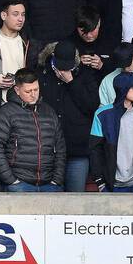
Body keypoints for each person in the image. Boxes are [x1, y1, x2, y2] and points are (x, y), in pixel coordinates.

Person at [0, 69, 66, 191]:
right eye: (28, 91)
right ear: (17, 90)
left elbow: (60, 147)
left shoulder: (49, 112)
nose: (33, 94)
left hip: (49, 184)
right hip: (19, 184)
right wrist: (11, 180)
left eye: (36, 89)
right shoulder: (6, 113)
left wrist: (57, 180)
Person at [40, 39, 101, 193]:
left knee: (75, 197)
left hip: (77, 149)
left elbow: (91, 106)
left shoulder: (85, 74)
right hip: (49, 150)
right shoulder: (42, 73)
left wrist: (72, 82)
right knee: (50, 199)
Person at [88, 72, 133, 192]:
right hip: (111, 185)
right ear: (123, 90)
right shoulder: (102, 115)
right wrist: (100, 182)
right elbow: (95, 150)